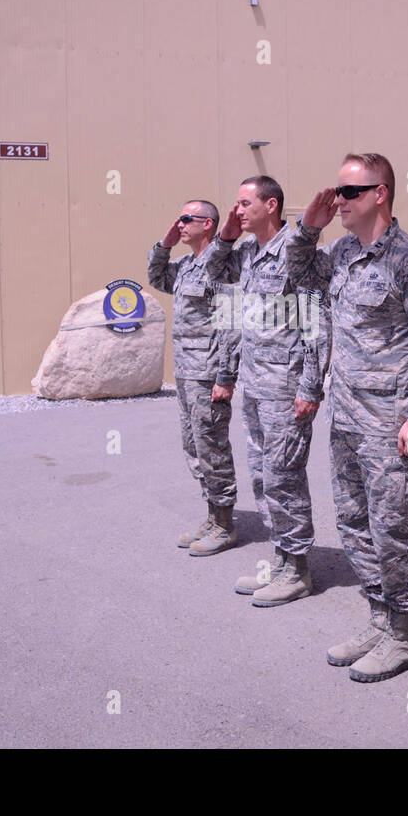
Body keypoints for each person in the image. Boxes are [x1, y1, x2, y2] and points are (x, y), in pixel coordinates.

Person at [287, 153, 408, 682]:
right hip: (347, 416)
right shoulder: (340, 253)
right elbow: (296, 277)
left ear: (380, 194)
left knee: (393, 527)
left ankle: (404, 634)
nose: (338, 201)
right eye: (337, 191)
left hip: (392, 422)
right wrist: (307, 228)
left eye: (349, 192)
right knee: (355, 523)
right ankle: (379, 617)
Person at [204, 175, 330, 606]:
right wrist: (225, 235)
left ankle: (297, 569)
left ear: (271, 205)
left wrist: (311, 386)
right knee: (262, 477)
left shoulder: (298, 252)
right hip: (257, 387)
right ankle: (280, 559)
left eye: (243, 203)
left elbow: (315, 321)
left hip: (287, 389)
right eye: (236, 203)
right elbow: (213, 271)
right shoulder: (250, 254)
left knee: (284, 477)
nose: (237, 210)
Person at [147, 200, 241, 556]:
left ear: (208, 225)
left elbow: (231, 325)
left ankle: (224, 524)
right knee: (193, 445)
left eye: (187, 219)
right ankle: (212, 513)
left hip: (208, 375)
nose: (180, 223)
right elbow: (156, 277)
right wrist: (165, 244)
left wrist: (226, 376)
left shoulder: (221, 268)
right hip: (186, 374)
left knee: (212, 447)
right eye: (179, 217)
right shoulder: (186, 265)